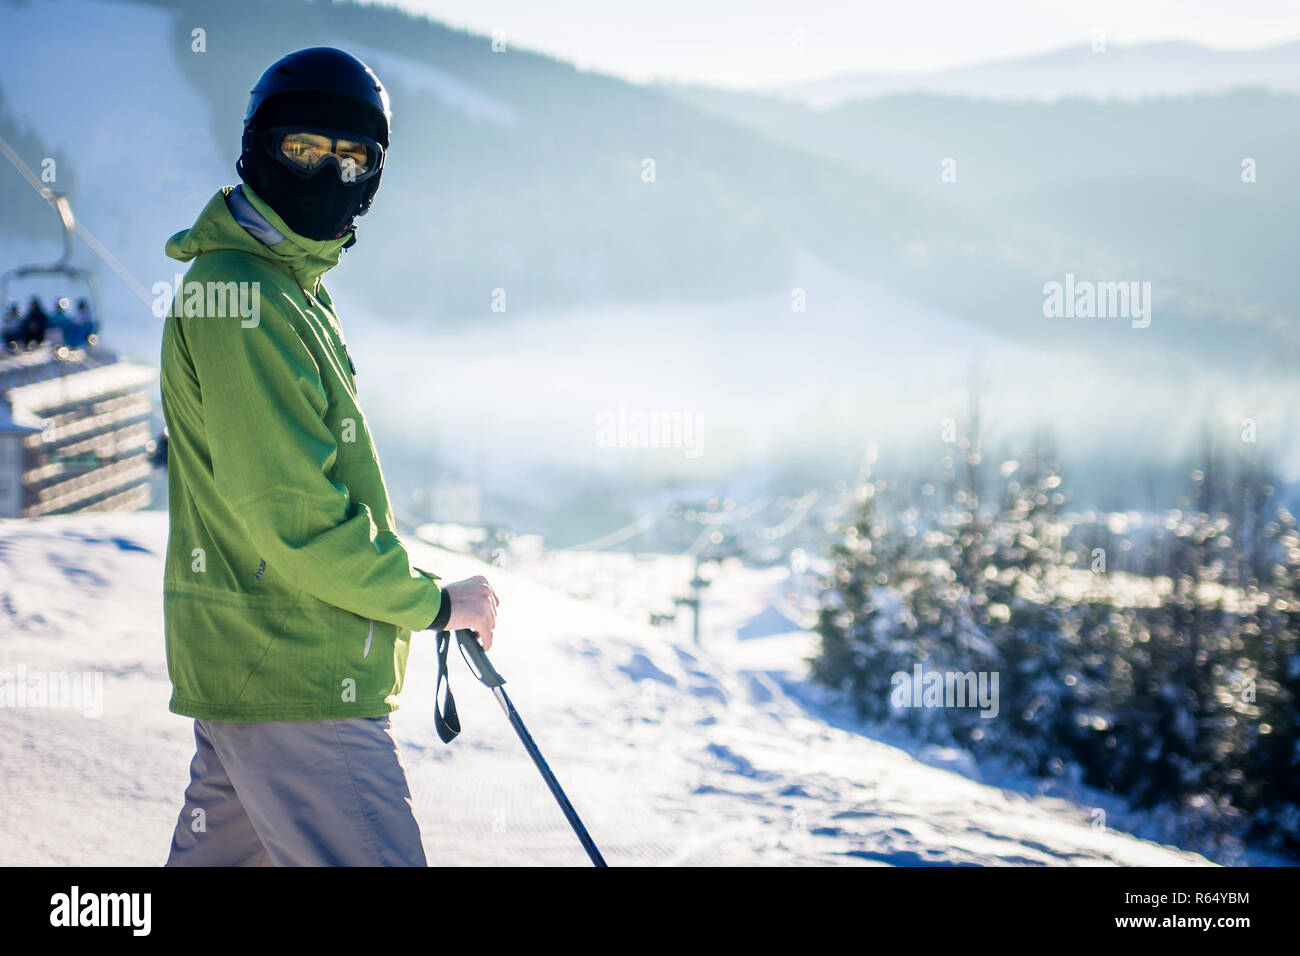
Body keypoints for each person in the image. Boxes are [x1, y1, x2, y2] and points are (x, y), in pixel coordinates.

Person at [160, 47, 499, 867]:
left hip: (262, 675)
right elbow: (294, 519)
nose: (329, 173)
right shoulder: (245, 296)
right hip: (298, 679)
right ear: (257, 148)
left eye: (353, 158)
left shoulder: (283, 286)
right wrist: (429, 603)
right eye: (304, 149)